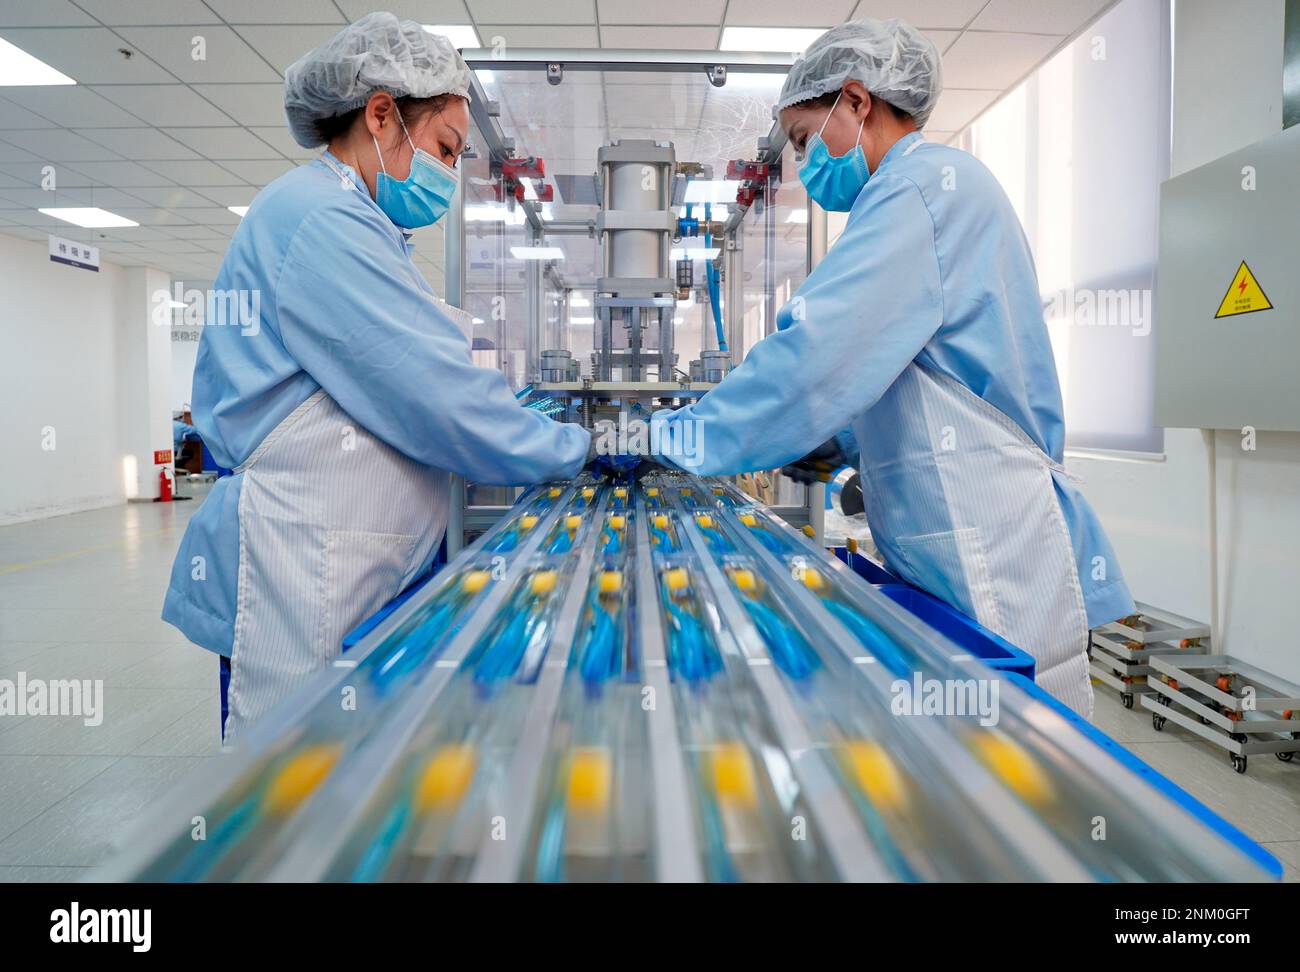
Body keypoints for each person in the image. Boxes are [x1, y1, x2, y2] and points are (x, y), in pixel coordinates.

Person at [651, 17, 1133, 717]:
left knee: (1016, 769)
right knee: (972, 769)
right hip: (960, 543)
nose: (804, 160)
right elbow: (905, 382)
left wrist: (672, 443)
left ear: (856, 101)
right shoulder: (919, 194)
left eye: (803, 138)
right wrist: (826, 444)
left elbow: (814, 360)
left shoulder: (922, 192)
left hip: (996, 547)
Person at [162, 13, 591, 739]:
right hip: (299, 562)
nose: (449, 175)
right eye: (446, 149)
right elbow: (435, 393)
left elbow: (418, 359)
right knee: (292, 781)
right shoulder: (319, 218)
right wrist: (578, 452)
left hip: (336, 557)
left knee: (335, 774)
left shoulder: (353, 221)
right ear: (382, 114)